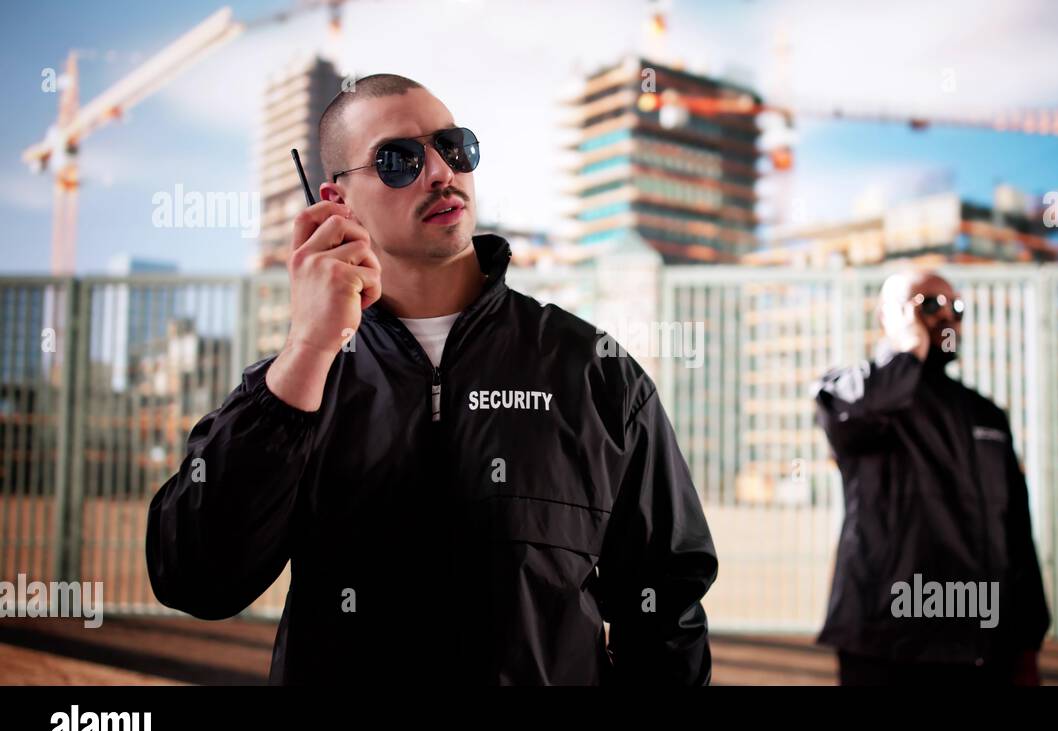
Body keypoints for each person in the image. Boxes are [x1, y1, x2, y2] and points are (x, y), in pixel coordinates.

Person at [146, 74, 717, 685]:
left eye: (453, 146)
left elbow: (664, 606)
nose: (441, 172)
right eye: (398, 160)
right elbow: (196, 578)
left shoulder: (593, 371)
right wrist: (308, 350)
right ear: (335, 202)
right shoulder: (299, 382)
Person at [813, 271, 1050, 686]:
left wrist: (1029, 637)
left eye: (955, 307)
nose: (945, 316)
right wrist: (908, 349)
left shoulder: (985, 413)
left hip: (981, 640)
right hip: (884, 640)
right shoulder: (850, 389)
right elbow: (857, 412)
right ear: (887, 317)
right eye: (927, 305)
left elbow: (1016, 528)